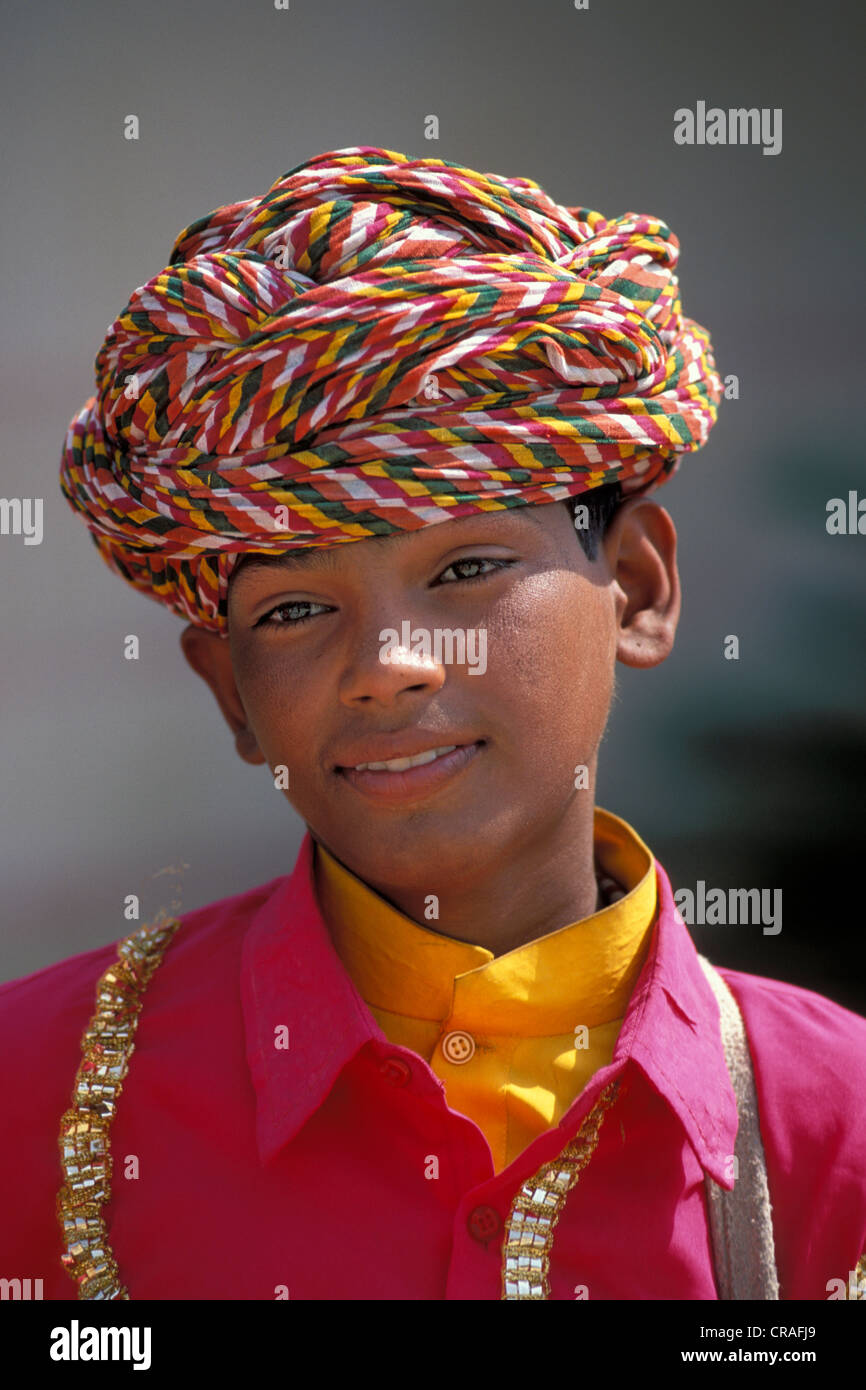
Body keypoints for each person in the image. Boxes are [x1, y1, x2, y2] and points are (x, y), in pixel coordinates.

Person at [1, 145, 864, 1302]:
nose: (388, 667)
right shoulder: (32, 1094)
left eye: (464, 566)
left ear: (641, 591)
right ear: (231, 693)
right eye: (297, 607)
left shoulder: (835, 1128)